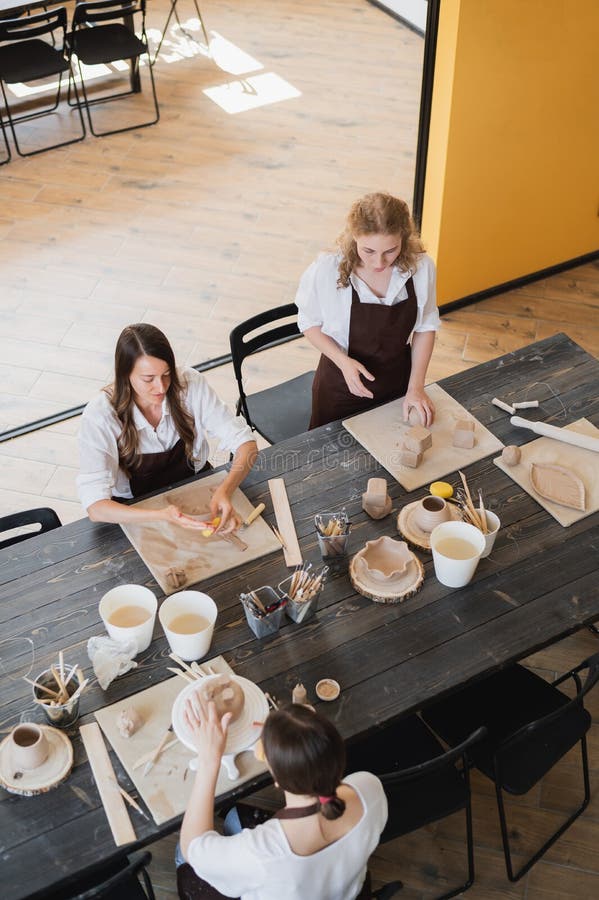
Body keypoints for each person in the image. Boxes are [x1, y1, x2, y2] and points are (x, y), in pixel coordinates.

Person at [178, 701, 388, 900]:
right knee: (234, 817)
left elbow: (193, 847)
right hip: (347, 891)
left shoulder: (263, 853)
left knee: (181, 856)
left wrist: (209, 759)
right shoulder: (368, 788)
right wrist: (300, 739)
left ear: (277, 780)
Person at [77, 323, 257, 532]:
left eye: (166, 374)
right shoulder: (100, 415)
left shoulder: (190, 384)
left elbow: (247, 445)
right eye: (148, 379)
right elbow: (96, 508)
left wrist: (226, 489)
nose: (161, 387)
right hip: (136, 511)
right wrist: (162, 516)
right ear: (125, 375)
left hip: (196, 488)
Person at [296, 191, 440, 429]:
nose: (379, 263)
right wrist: (343, 361)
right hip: (340, 386)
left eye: (391, 251)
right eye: (369, 251)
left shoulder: (421, 267)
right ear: (354, 237)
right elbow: (309, 323)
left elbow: (426, 327)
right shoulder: (328, 268)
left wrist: (416, 388)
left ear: (404, 236)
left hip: (399, 384)